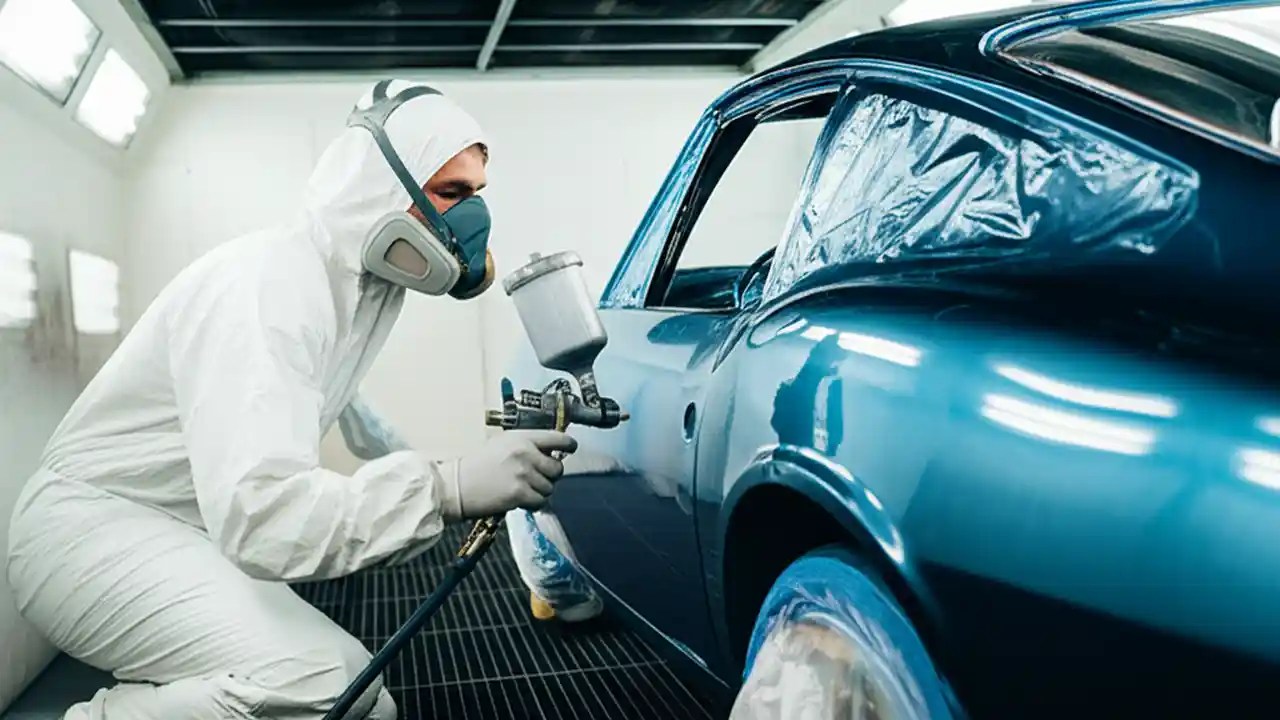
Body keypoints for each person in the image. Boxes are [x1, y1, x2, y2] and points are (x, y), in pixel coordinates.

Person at [5, 79, 575, 719]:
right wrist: (448, 488)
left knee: (364, 702)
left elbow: (354, 414)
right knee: (332, 687)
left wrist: (450, 472)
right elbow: (263, 516)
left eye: (476, 194)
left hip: (182, 528)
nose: (471, 219)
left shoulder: (354, 291)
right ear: (383, 190)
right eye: (452, 193)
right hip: (92, 533)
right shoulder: (268, 287)